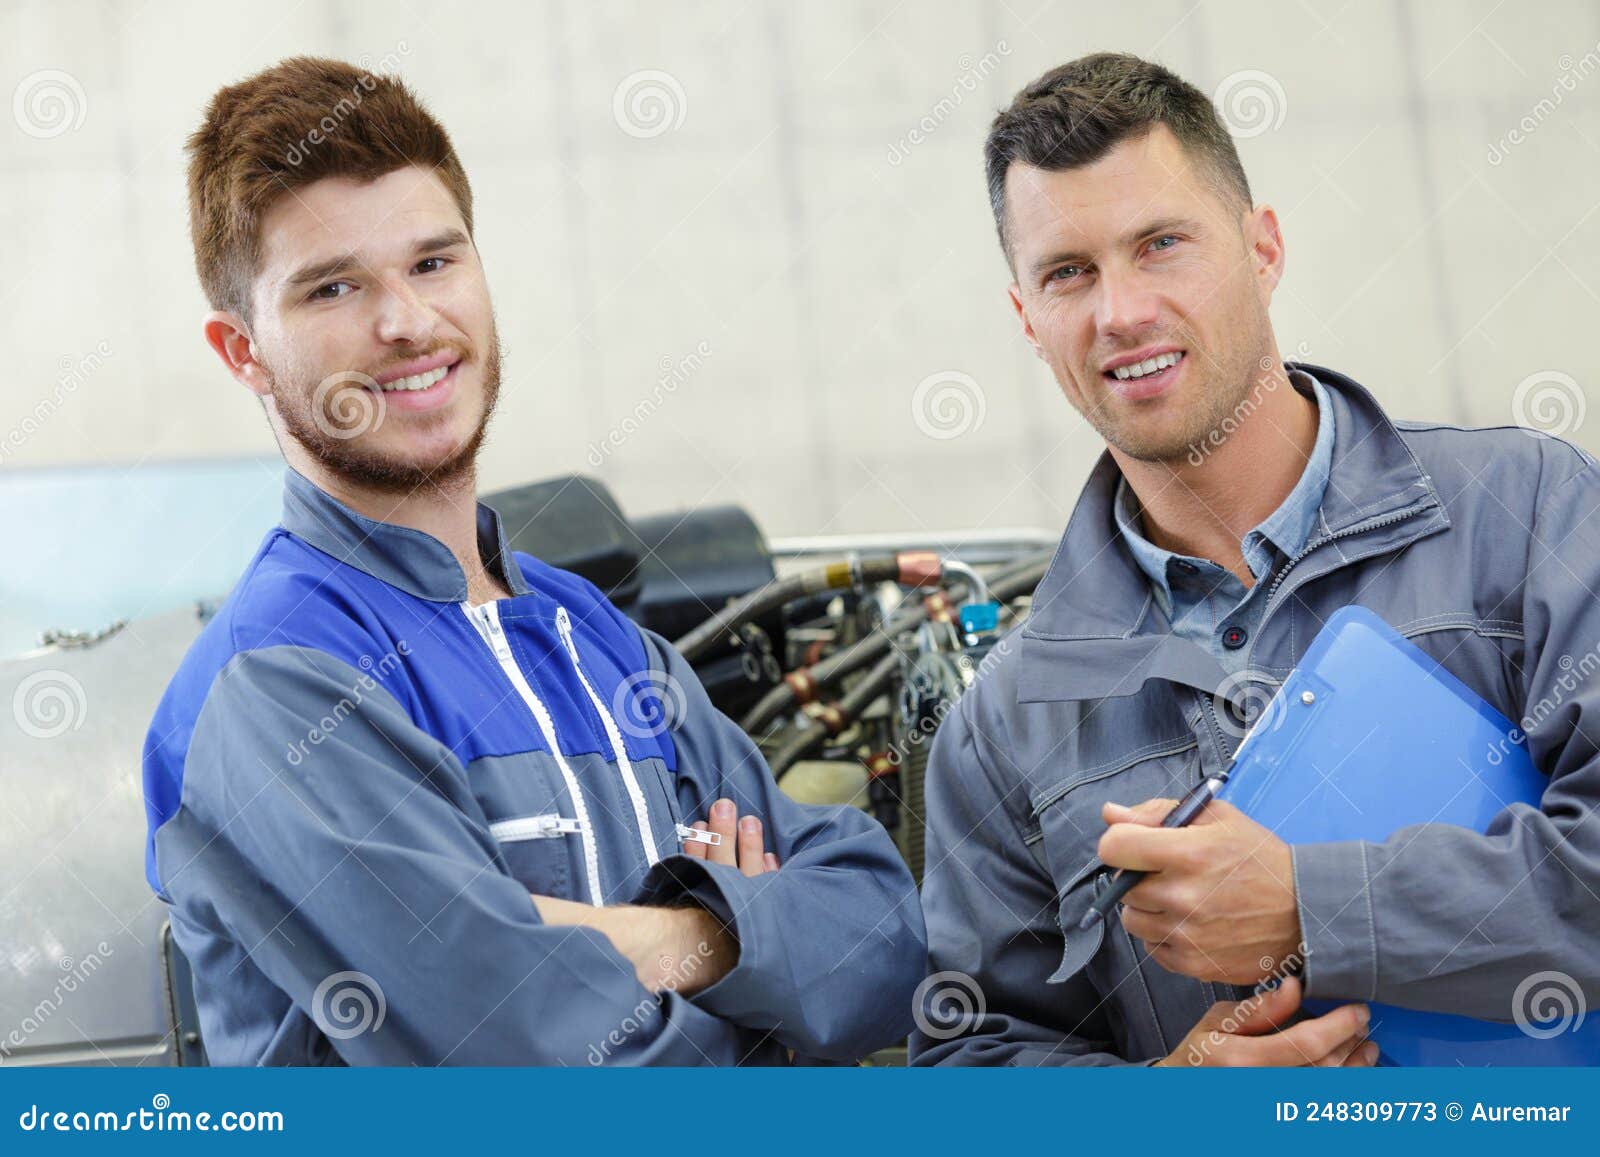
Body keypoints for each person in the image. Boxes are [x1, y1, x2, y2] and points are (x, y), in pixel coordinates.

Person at [142, 56, 925, 1066]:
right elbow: (521, 1052)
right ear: (242, 350)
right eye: (333, 287)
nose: (407, 323)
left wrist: (647, 940)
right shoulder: (275, 685)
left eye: (433, 263)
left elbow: (884, 935)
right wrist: (744, 942)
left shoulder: (598, 638)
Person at [910, 52, 1600, 1066]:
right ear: (1026, 318)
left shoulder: (1529, 509)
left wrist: (1313, 906)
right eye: (1068, 273)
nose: (1121, 311)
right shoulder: (1001, 726)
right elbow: (971, 1060)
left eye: (1160, 244)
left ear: (1262, 247)